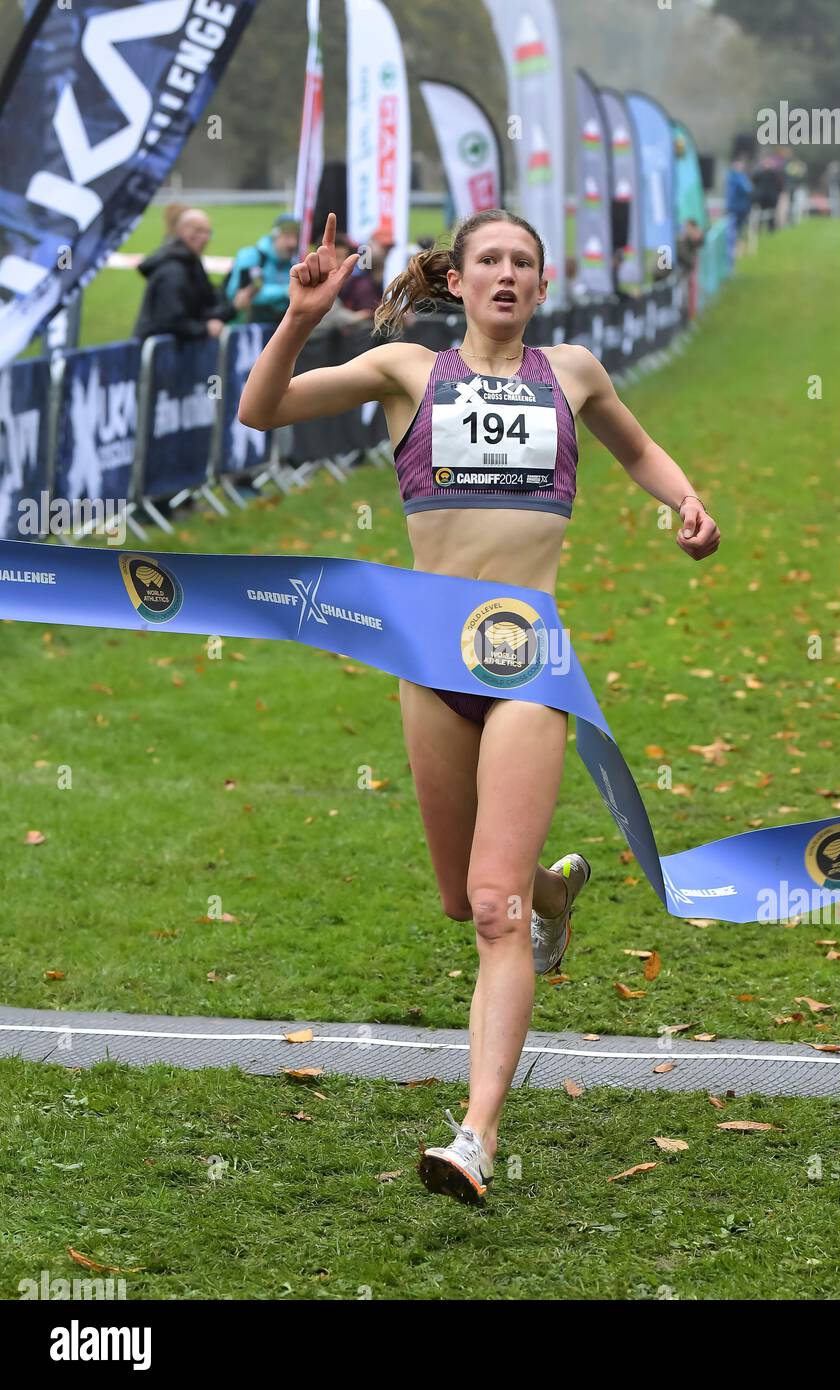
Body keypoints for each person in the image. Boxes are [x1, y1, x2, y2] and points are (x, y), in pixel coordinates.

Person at [237, 209, 721, 1207]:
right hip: (426, 659)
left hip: (528, 665)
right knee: (470, 896)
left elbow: (638, 451)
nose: (506, 274)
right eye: (488, 260)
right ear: (455, 282)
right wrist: (300, 316)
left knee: (487, 915)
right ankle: (553, 889)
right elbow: (261, 408)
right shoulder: (406, 372)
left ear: (540, 287)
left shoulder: (573, 372)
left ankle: (476, 1134)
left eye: (523, 264)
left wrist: (685, 504)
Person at [133, 207, 236, 342]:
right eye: (198, 231)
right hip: (160, 357)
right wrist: (205, 328)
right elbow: (170, 321)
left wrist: (234, 306)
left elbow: (205, 307)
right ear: (180, 231)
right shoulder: (172, 270)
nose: (205, 238)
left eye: (207, 232)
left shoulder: (192, 263)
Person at [223, 214, 301, 325]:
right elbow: (239, 294)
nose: (293, 243)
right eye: (287, 236)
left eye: (296, 237)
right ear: (276, 235)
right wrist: (285, 292)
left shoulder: (291, 264)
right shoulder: (252, 256)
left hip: (278, 330)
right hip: (246, 331)